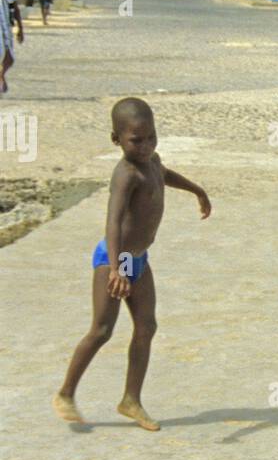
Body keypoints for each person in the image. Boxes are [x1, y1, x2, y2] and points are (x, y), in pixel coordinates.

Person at [53, 98, 212, 431]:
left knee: (147, 327)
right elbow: (112, 222)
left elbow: (164, 175)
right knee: (102, 330)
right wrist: (115, 269)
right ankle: (66, 393)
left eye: (151, 137)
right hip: (116, 258)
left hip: (137, 259)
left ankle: (131, 400)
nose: (146, 146)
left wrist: (196, 190)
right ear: (116, 139)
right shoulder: (125, 174)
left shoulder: (152, 161)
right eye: (136, 140)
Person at [0, 0, 25, 95]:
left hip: (5, 26)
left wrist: (20, 28)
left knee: (9, 57)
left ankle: (1, 74)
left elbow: (15, 8)